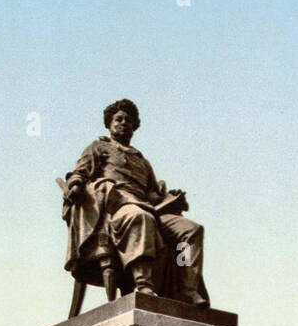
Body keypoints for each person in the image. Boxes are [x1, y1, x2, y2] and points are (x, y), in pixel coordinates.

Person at [63, 99, 208, 304]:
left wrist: (172, 199)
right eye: (118, 119)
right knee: (140, 217)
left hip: (149, 207)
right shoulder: (99, 148)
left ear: (134, 126)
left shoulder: (142, 160)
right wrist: (75, 186)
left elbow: (153, 195)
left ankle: (186, 288)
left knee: (191, 230)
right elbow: (79, 173)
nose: (123, 123)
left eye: (128, 120)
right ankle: (143, 284)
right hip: (116, 206)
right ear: (109, 124)